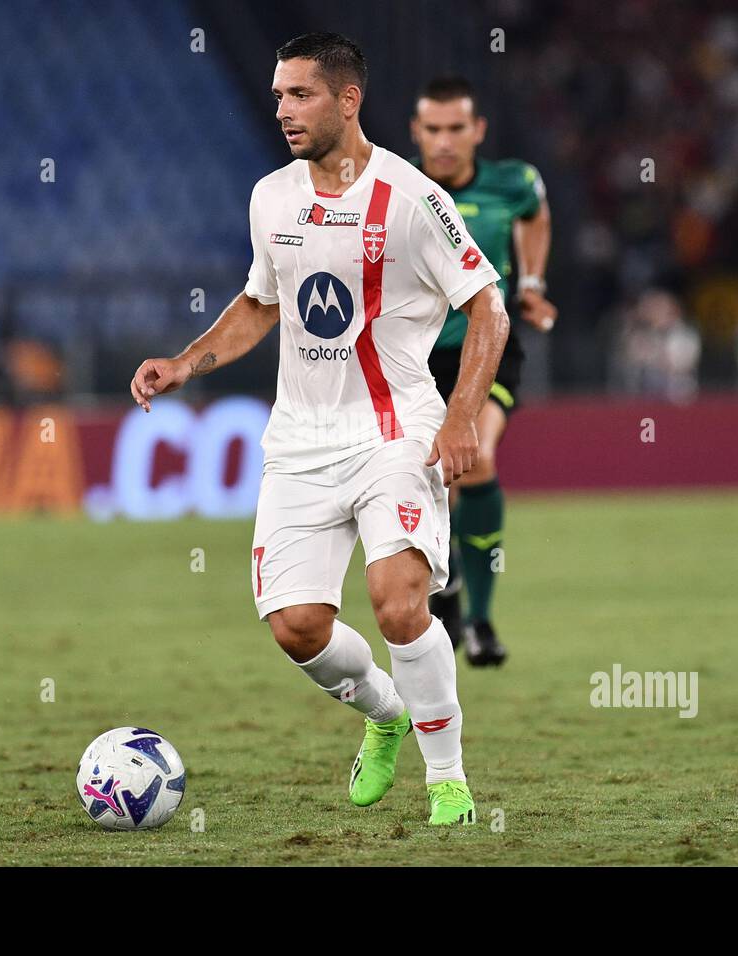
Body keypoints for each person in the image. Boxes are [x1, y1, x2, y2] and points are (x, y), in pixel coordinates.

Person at [130, 34, 508, 825]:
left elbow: (488, 306)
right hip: (301, 438)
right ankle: (385, 713)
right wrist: (186, 362)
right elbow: (263, 301)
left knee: (398, 600)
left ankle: (449, 780)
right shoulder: (272, 197)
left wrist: (463, 415)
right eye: (276, 96)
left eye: (299, 95)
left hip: (396, 429)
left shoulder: (411, 199)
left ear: (347, 100)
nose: (282, 111)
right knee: (297, 628)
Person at [410, 76, 556, 665]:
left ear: (477, 131)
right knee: (433, 479)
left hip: (487, 346)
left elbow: (536, 214)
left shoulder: (511, 182)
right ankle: (445, 589)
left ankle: (479, 620)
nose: (444, 141)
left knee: (478, 457)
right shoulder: (398, 189)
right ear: (416, 133)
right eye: (433, 130)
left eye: (456, 129)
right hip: (414, 357)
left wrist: (531, 283)